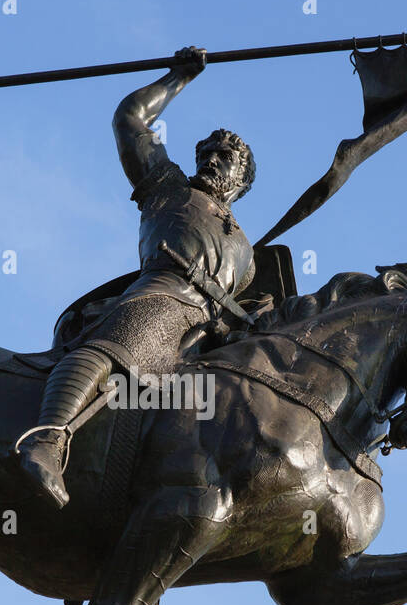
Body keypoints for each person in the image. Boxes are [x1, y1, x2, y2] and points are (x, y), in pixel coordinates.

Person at [15, 46, 257, 508]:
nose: (209, 159)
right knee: (128, 339)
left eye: (223, 156)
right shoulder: (169, 187)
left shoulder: (248, 253)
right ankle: (46, 440)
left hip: (205, 332)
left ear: (242, 176)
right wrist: (178, 78)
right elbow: (129, 118)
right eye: (205, 152)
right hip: (161, 297)